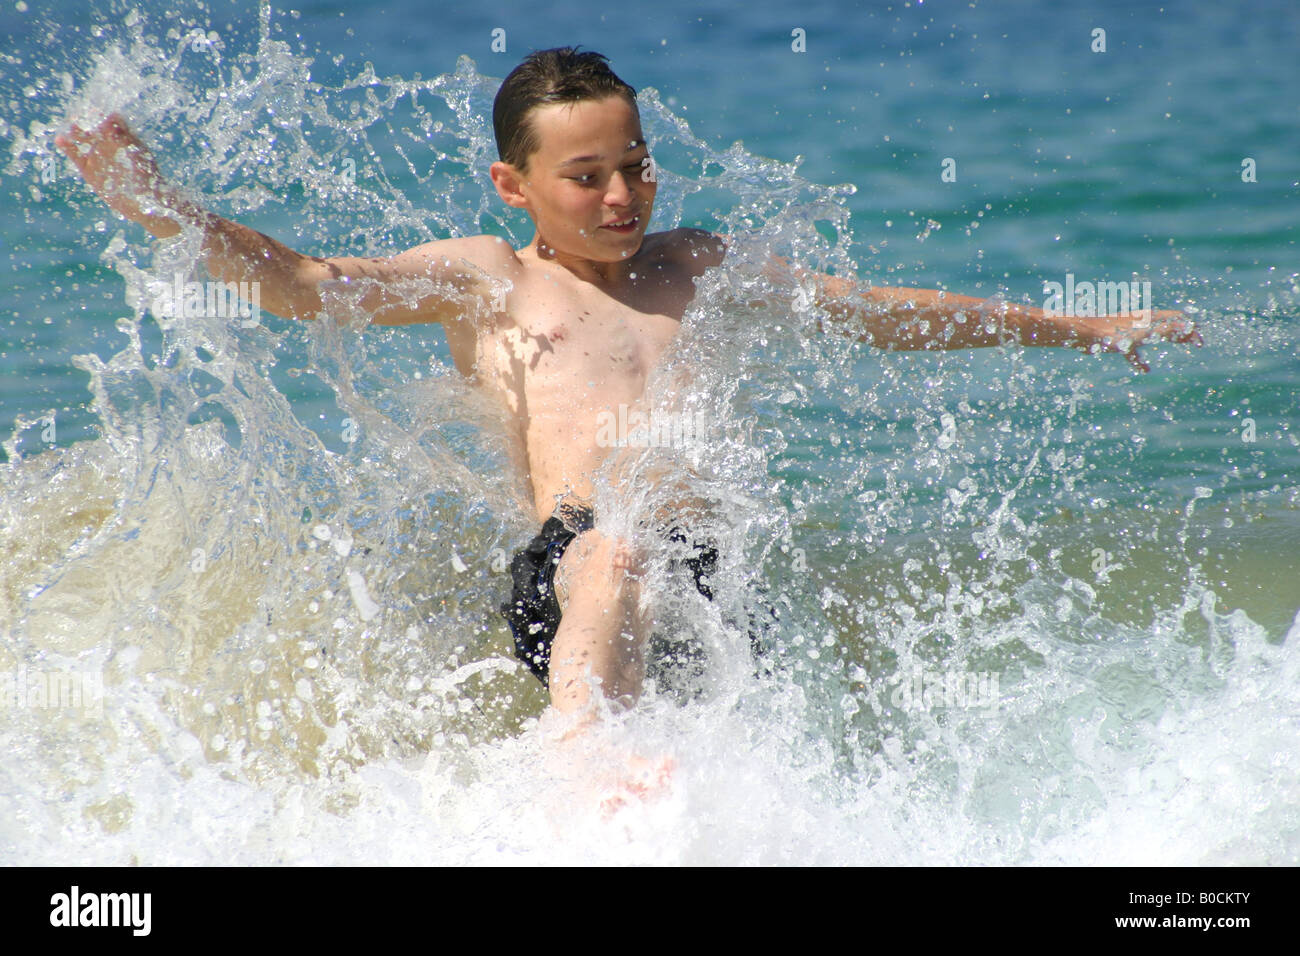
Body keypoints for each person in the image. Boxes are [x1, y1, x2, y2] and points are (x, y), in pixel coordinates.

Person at [55, 47, 1200, 725]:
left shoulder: (696, 266)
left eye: (637, 164)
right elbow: (306, 281)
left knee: (732, 668)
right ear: (516, 184)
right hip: (576, 571)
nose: (622, 196)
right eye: (587, 176)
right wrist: (158, 202)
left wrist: (1077, 326)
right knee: (614, 549)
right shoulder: (487, 281)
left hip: (718, 581)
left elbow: (884, 313)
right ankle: (580, 796)